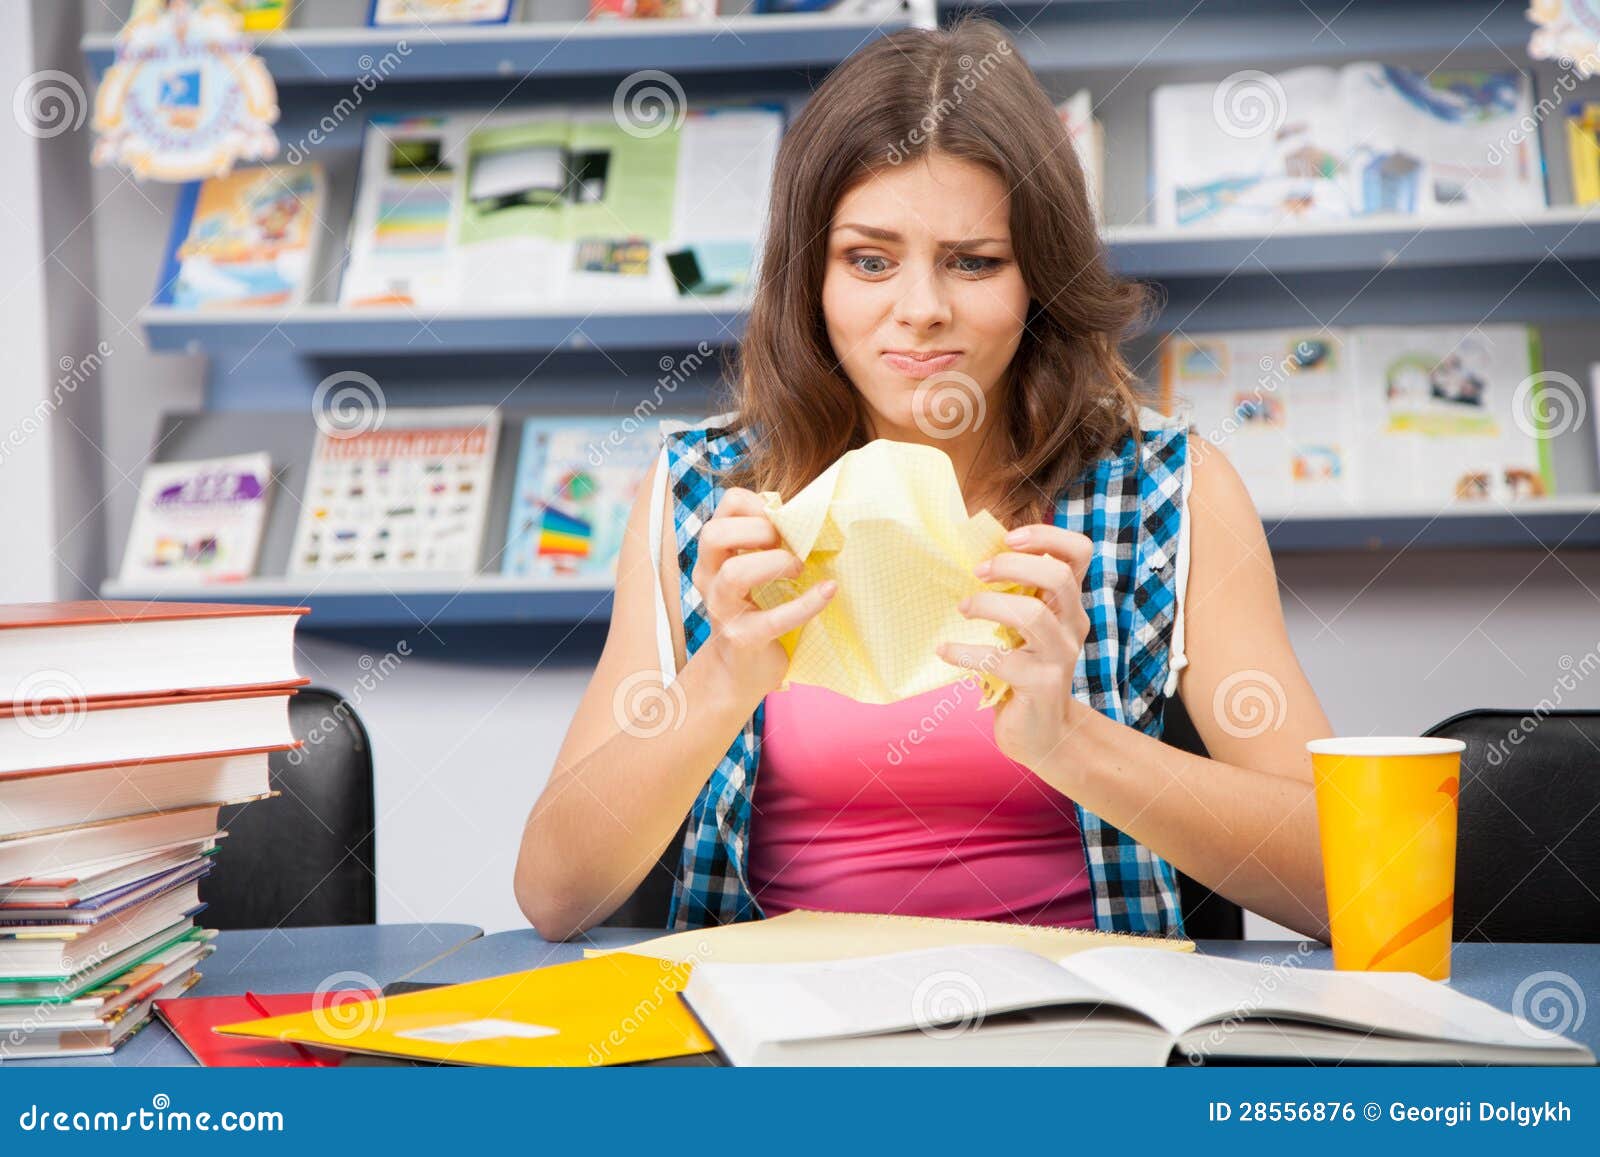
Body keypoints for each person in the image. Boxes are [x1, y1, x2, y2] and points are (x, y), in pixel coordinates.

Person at [514, 16, 1334, 943]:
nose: (921, 312)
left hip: (1079, 1040)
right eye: (869, 260)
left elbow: (1345, 882)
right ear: (809, 281)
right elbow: (554, 894)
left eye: (974, 263)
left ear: (1039, 282)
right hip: (773, 1043)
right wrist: (717, 685)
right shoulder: (706, 488)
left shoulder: (1164, 491)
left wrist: (1071, 739)